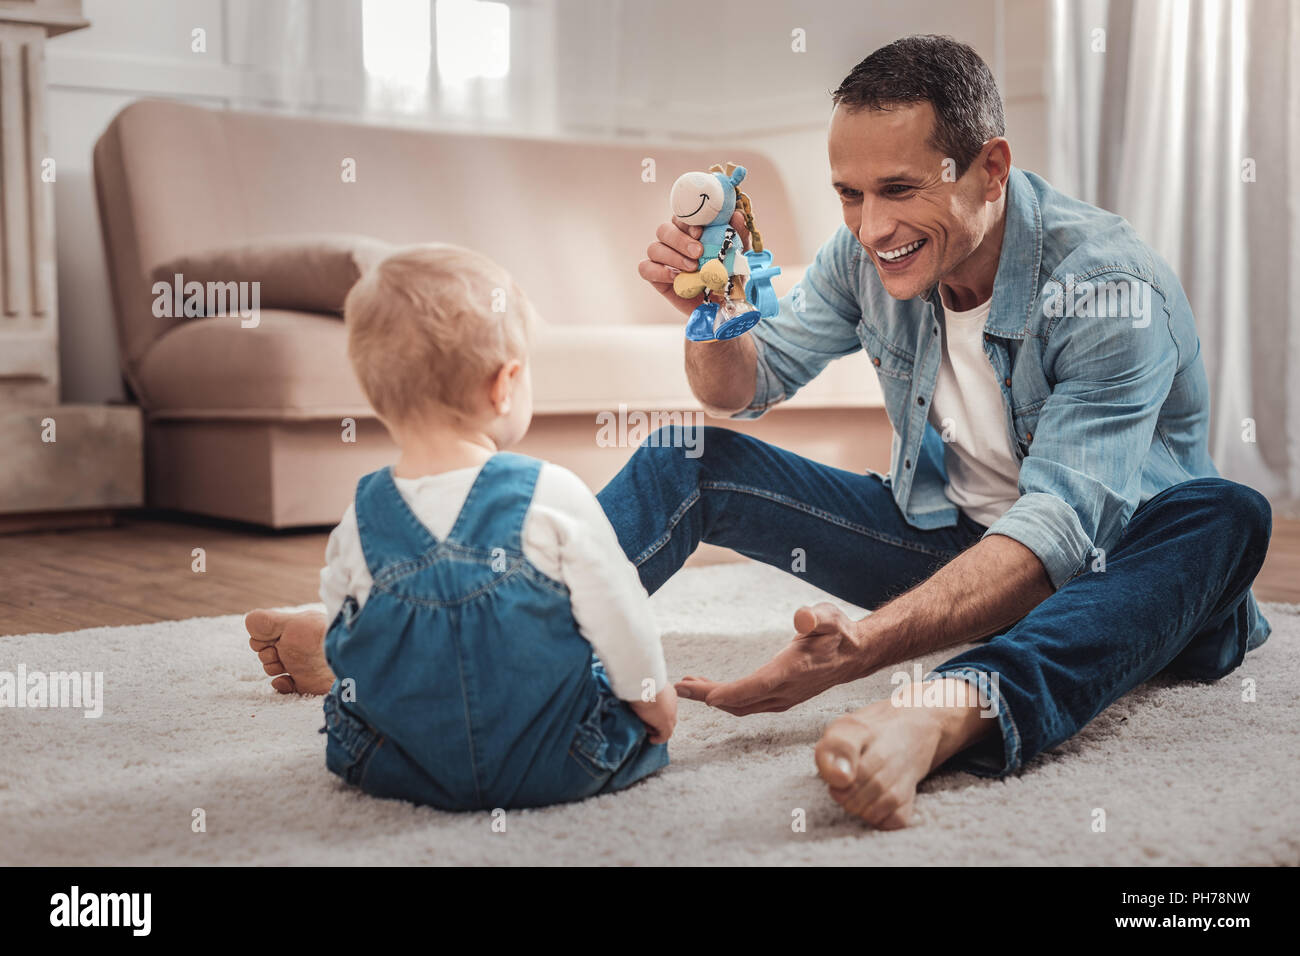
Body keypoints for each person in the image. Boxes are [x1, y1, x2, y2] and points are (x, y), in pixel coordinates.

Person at [623, 33, 1271, 828]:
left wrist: (862, 648)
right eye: (849, 194)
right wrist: (715, 316)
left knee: (1228, 515)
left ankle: (943, 709)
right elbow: (747, 387)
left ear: (990, 168)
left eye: (899, 189)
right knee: (683, 455)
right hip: (961, 548)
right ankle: (522, 644)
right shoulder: (864, 255)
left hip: (1122, 576)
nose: (870, 226)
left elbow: (1058, 532)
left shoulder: (1105, 286)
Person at [247, 243, 674, 811]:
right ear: (505, 384)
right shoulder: (553, 491)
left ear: (379, 399)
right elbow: (621, 616)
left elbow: (348, 637)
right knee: (594, 662)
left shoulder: (360, 516)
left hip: (398, 766)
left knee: (363, 666)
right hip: (562, 763)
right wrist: (653, 700)